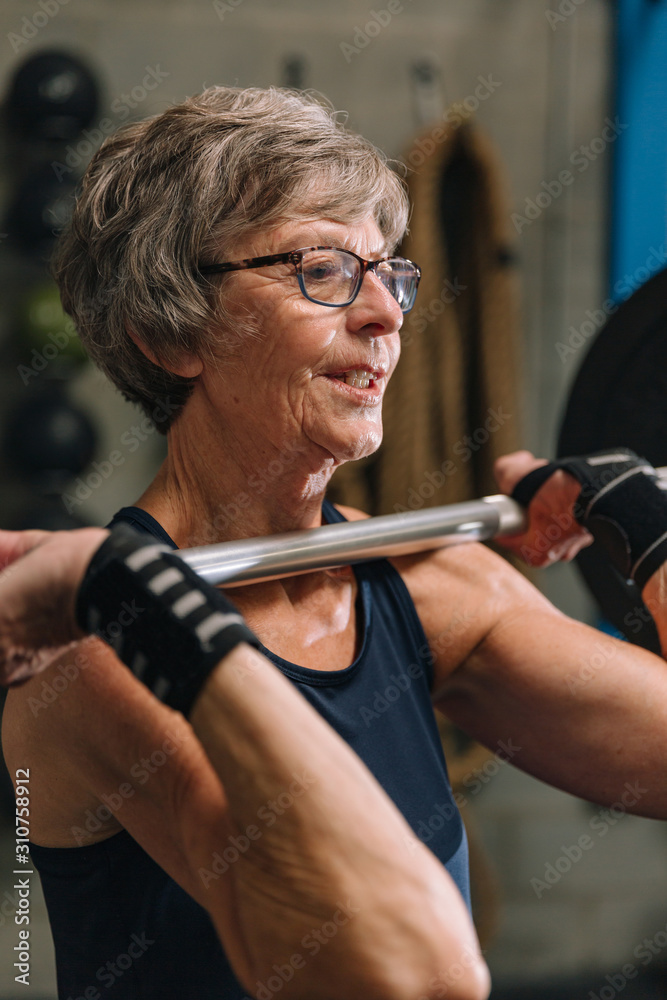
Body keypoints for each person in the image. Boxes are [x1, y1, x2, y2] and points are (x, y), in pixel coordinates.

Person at [2, 84, 667, 1000]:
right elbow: (409, 972)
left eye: (388, 272)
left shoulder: (426, 586)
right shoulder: (95, 661)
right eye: (322, 270)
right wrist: (160, 623)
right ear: (167, 331)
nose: (385, 312)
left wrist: (649, 533)